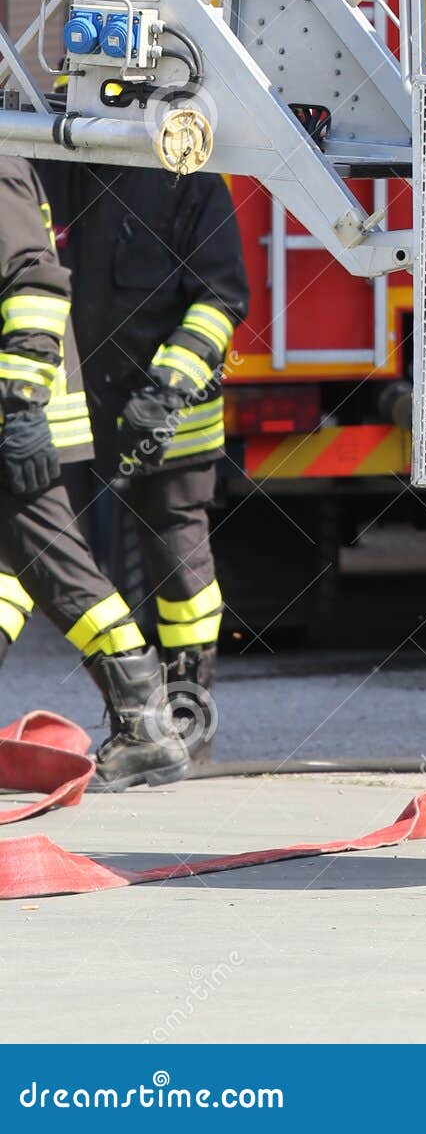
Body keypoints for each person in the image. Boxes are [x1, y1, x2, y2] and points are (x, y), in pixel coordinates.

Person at [40, 161, 249, 759]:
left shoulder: (190, 180)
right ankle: (137, 720)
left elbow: (221, 297)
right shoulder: (46, 169)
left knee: (179, 560)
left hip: (169, 412)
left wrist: (169, 388)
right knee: (44, 555)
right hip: (70, 413)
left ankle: (186, 719)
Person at [0, 155, 189, 789]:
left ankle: (146, 729)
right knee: (21, 568)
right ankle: (147, 729)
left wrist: (22, 407)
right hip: (18, 418)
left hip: (22, 421)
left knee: (57, 569)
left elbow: (34, 283)